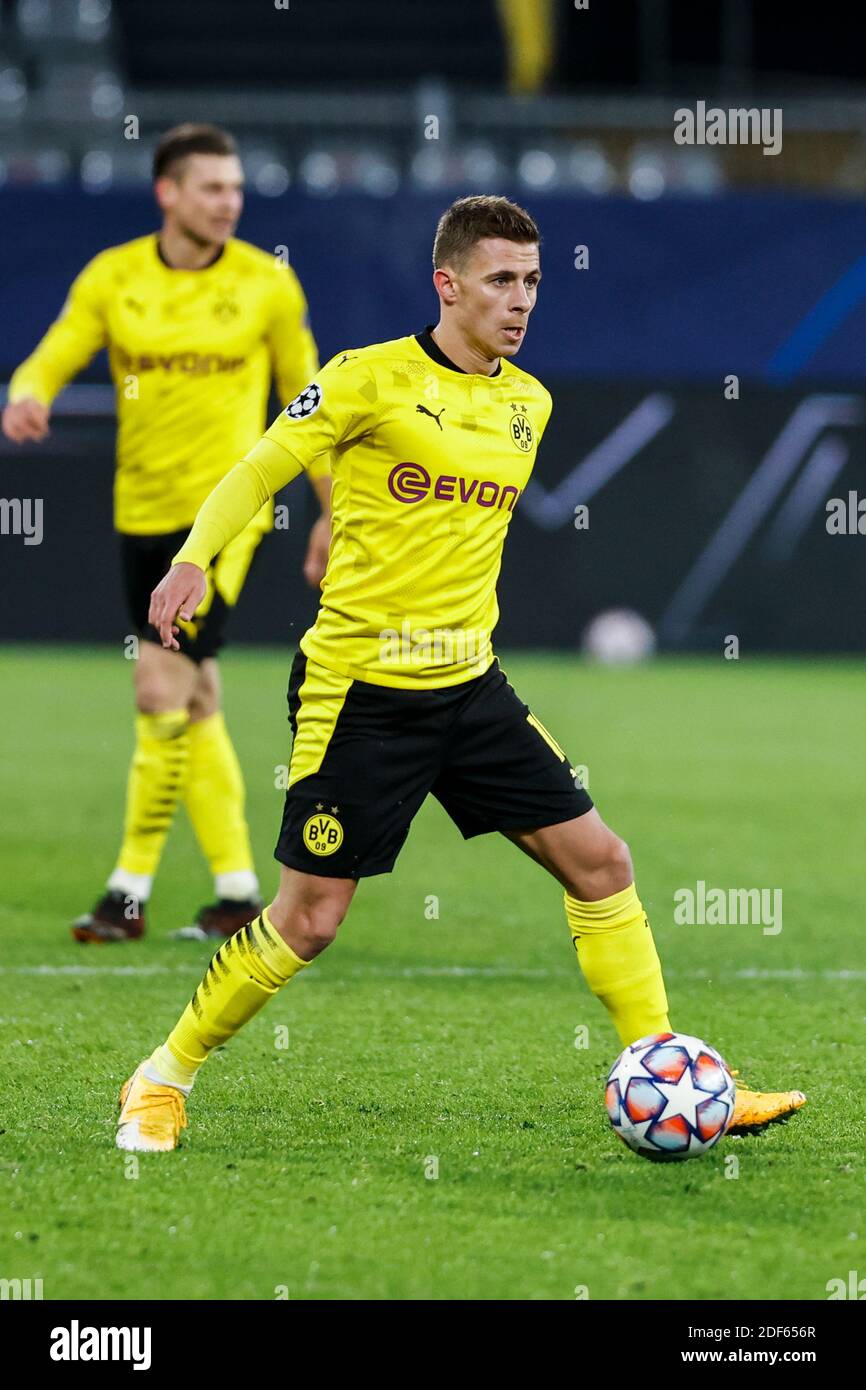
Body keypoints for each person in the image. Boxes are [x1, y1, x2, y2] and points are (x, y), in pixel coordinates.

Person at [114, 194, 805, 1151]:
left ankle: (674, 1076)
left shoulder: (531, 403)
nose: (520, 301)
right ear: (448, 285)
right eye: (499, 281)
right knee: (309, 920)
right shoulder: (368, 378)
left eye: (531, 282)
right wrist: (193, 558)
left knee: (601, 862)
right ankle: (160, 1076)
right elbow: (260, 467)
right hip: (361, 692)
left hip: (472, 689)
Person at [2, 123, 330, 942]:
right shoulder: (115, 277)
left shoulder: (267, 284)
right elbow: (56, 350)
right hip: (139, 509)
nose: (230, 203)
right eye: (212, 188)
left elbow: (312, 397)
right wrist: (29, 390)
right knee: (196, 698)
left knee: (158, 687)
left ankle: (127, 894)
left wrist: (331, 509)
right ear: (168, 193)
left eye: (235, 189)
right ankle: (236, 893)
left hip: (224, 514)